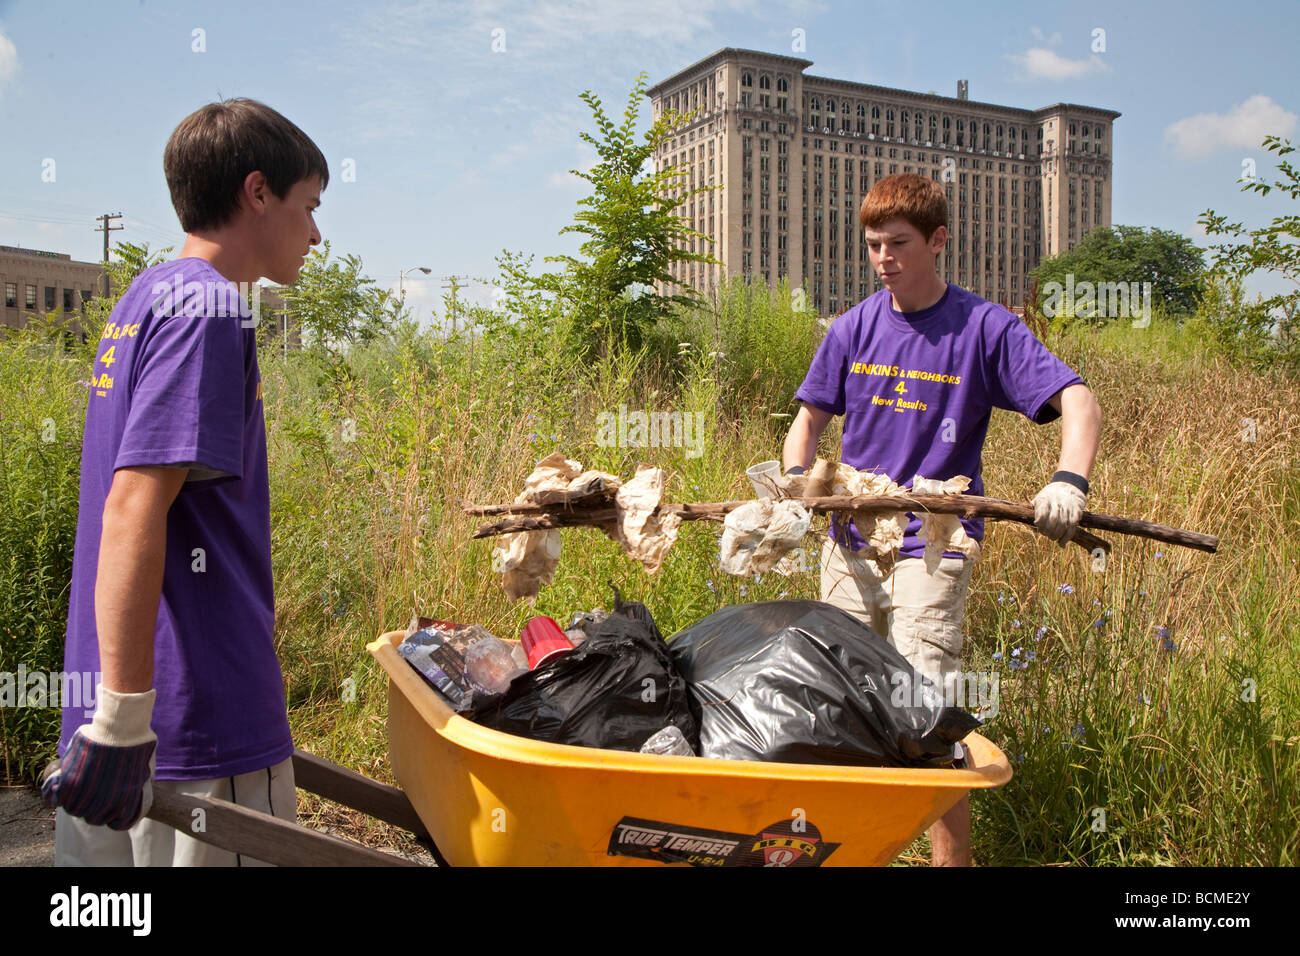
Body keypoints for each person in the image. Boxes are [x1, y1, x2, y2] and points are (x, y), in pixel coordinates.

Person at [782, 173, 1101, 866]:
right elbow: (808, 419)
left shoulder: (984, 328)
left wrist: (1068, 481)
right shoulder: (854, 327)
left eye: (899, 243)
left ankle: (950, 864)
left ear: (938, 240)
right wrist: (793, 483)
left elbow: (1078, 399)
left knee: (925, 702)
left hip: (938, 533)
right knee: (843, 700)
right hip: (853, 535)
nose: (884, 258)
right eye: (873, 245)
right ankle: (844, 851)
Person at [41, 99, 327, 866]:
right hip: (193, 729)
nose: (316, 232)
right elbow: (136, 505)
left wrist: (110, 721)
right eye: (310, 206)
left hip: (116, 718)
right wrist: (127, 725)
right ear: (258, 192)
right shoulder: (209, 313)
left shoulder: (146, 299)